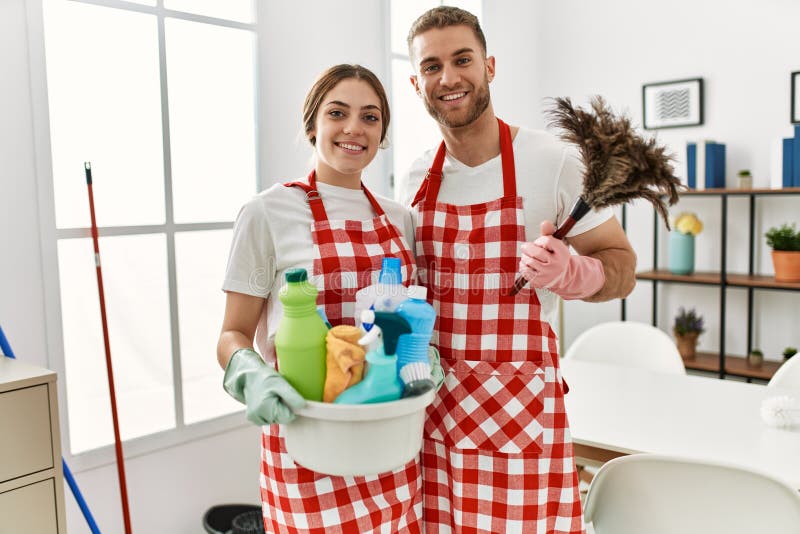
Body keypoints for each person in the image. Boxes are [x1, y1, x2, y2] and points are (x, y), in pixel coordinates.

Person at [396, 7, 637, 533]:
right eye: (432, 66)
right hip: (432, 419)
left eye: (463, 59)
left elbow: (622, 267)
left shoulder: (552, 161)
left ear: (490, 66)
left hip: (517, 422)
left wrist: (572, 273)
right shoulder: (416, 178)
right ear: (416, 82)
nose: (450, 77)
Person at [217, 64, 423, 533]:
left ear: (382, 134)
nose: (354, 128)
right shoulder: (266, 212)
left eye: (370, 117)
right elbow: (232, 333)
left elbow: (406, 318)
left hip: (389, 443)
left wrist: (420, 356)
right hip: (308, 441)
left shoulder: (400, 219)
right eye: (338, 113)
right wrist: (251, 375)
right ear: (312, 125)